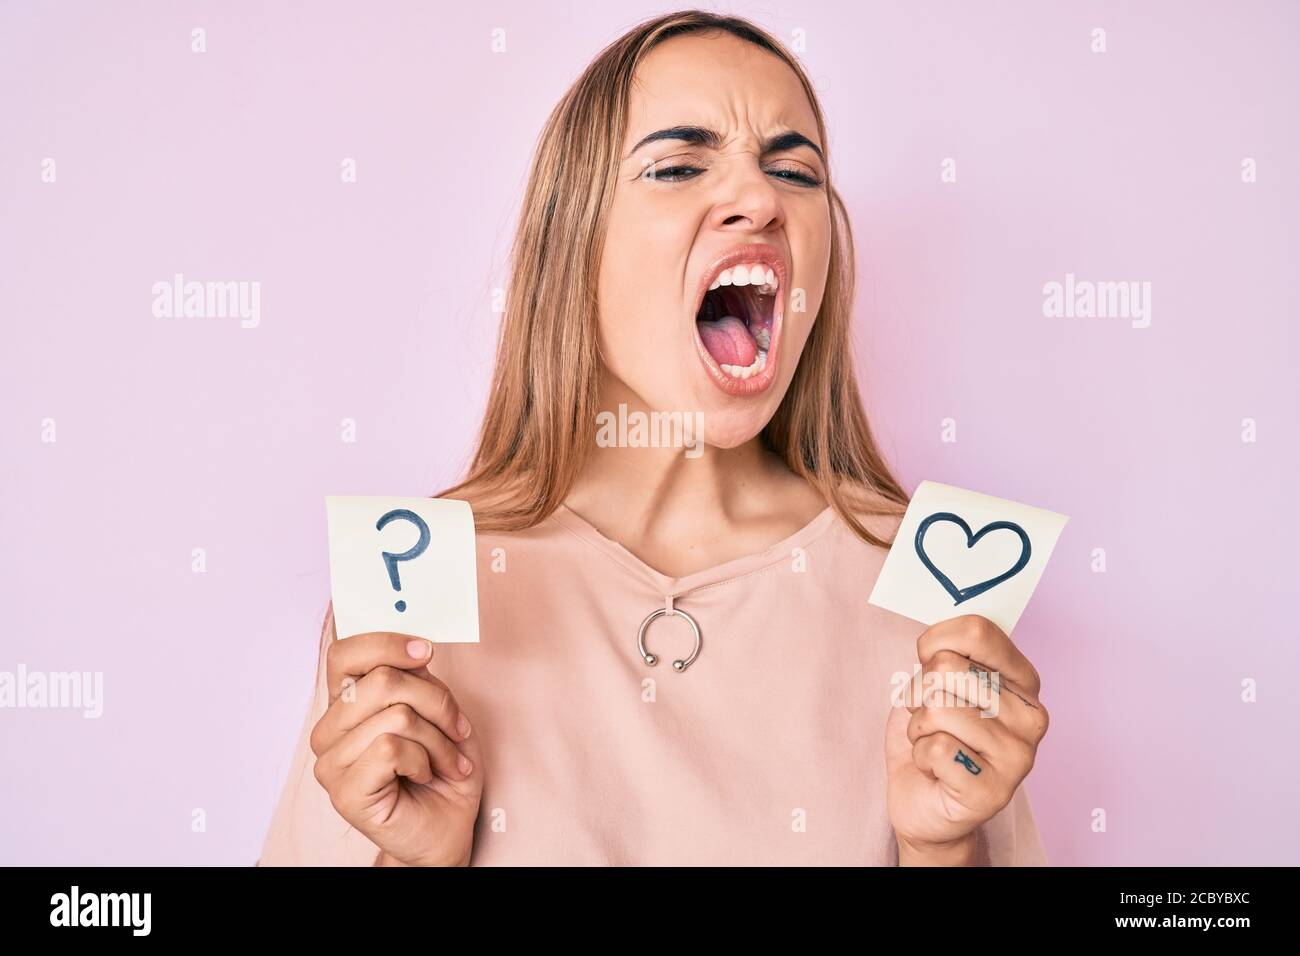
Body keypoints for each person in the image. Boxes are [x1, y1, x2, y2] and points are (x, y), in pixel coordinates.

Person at [258, 10, 1049, 867]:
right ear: (575, 243)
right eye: (677, 166)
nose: (762, 201)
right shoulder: (418, 591)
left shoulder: (924, 589)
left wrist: (944, 851)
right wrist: (414, 862)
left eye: (795, 171)